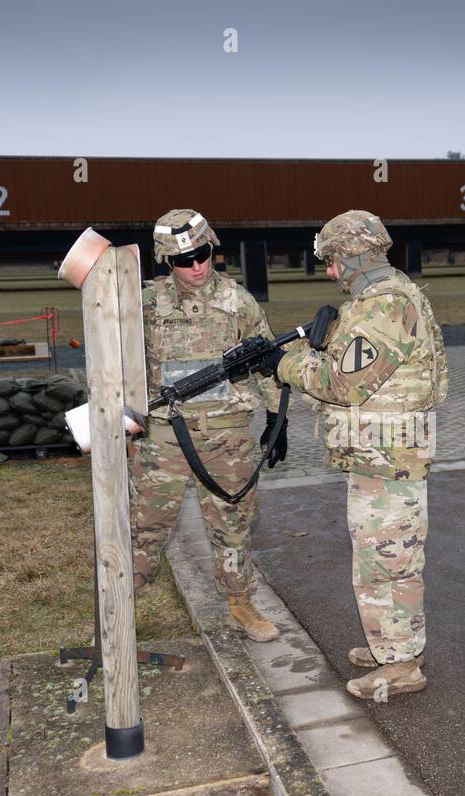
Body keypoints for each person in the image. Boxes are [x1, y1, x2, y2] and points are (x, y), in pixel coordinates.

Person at [259, 210, 448, 699]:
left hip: (388, 460)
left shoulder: (384, 304)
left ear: (351, 255)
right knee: (384, 559)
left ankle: (401, 665)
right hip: (380, 456)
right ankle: (395, 644)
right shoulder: (385, 297)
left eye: (331, 261)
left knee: (387, 562)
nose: (329, 271)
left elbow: (341, 382)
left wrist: (286, 365)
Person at [132, 209, 288, 642]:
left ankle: (241, 604)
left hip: (227, 438)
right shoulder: (143, 304)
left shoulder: (239, 302)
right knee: (146, 526)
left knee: (233, 523)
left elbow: (267, 364)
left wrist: (277, 418)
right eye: (185, 261)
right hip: (164, 438)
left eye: (202, 255)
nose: (197, 267)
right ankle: (119, 611)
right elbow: (118, 363)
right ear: (167, 261)